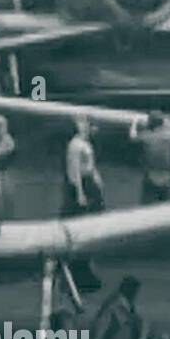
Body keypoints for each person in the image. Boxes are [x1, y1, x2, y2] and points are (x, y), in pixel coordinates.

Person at [62, 116, 105, 291]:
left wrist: (97, 181)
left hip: (90, 185)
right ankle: (78, 274)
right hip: (82, 187)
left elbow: (90, 166)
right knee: (82, 228)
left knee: (92, 227)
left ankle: (85, 269)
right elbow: (74, 171)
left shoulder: (85, 144)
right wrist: (79, 193)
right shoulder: (75, 146)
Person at [88, 276, 166, 339]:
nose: (135, 293)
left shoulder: (125, 301)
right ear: (126, 288)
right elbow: (101, 323)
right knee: (142, 322)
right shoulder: (117, 301)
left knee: (142, 322)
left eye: (136, 290)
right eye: (133, 290)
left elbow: (134, 321)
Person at [129, 110, 170, 203]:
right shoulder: (169, 135)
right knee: (167, 208)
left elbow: (133, 136)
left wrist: (135, 122)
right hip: (166, 179)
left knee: (146, 208)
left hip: (151, 177)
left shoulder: (147, 136)